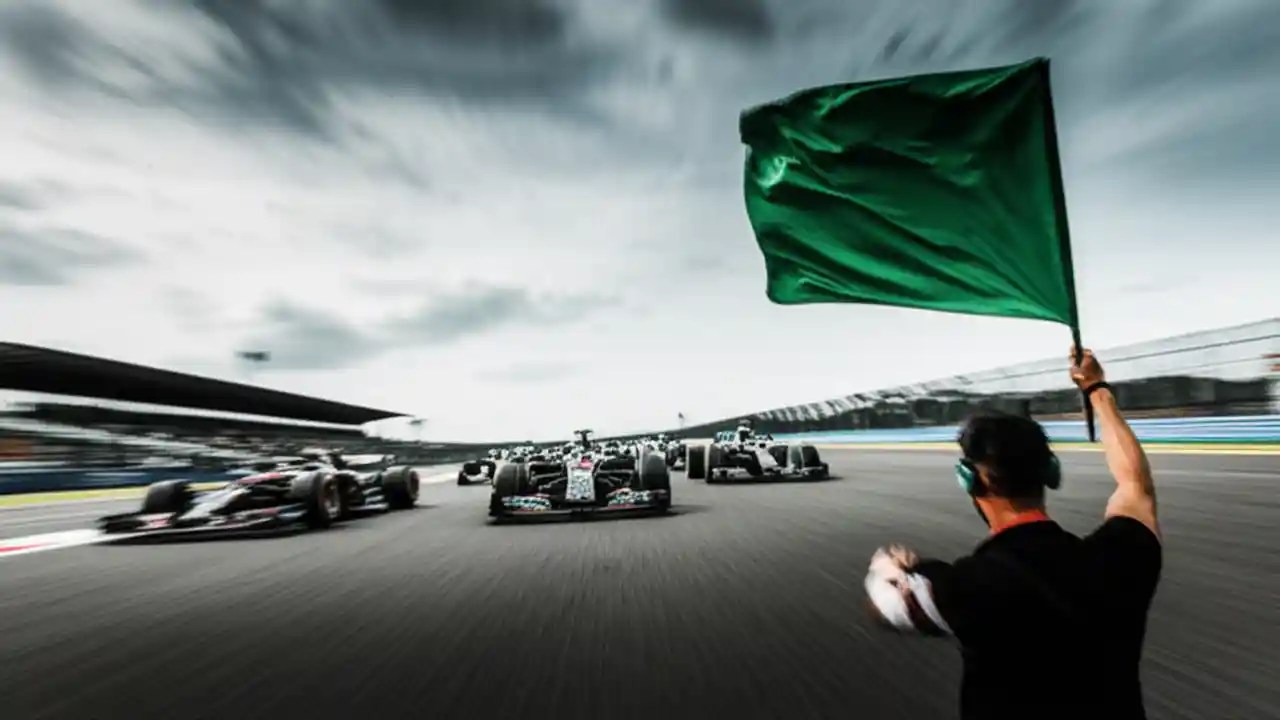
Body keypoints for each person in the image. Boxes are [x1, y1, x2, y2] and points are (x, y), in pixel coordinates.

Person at [864, 348, 1162, 720]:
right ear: (1050, 472)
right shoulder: (1123, 554)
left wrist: (890, 566)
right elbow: (1136, 484)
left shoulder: (962, 587)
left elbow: (885, 603)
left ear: (969, 480)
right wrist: (1097, 389)